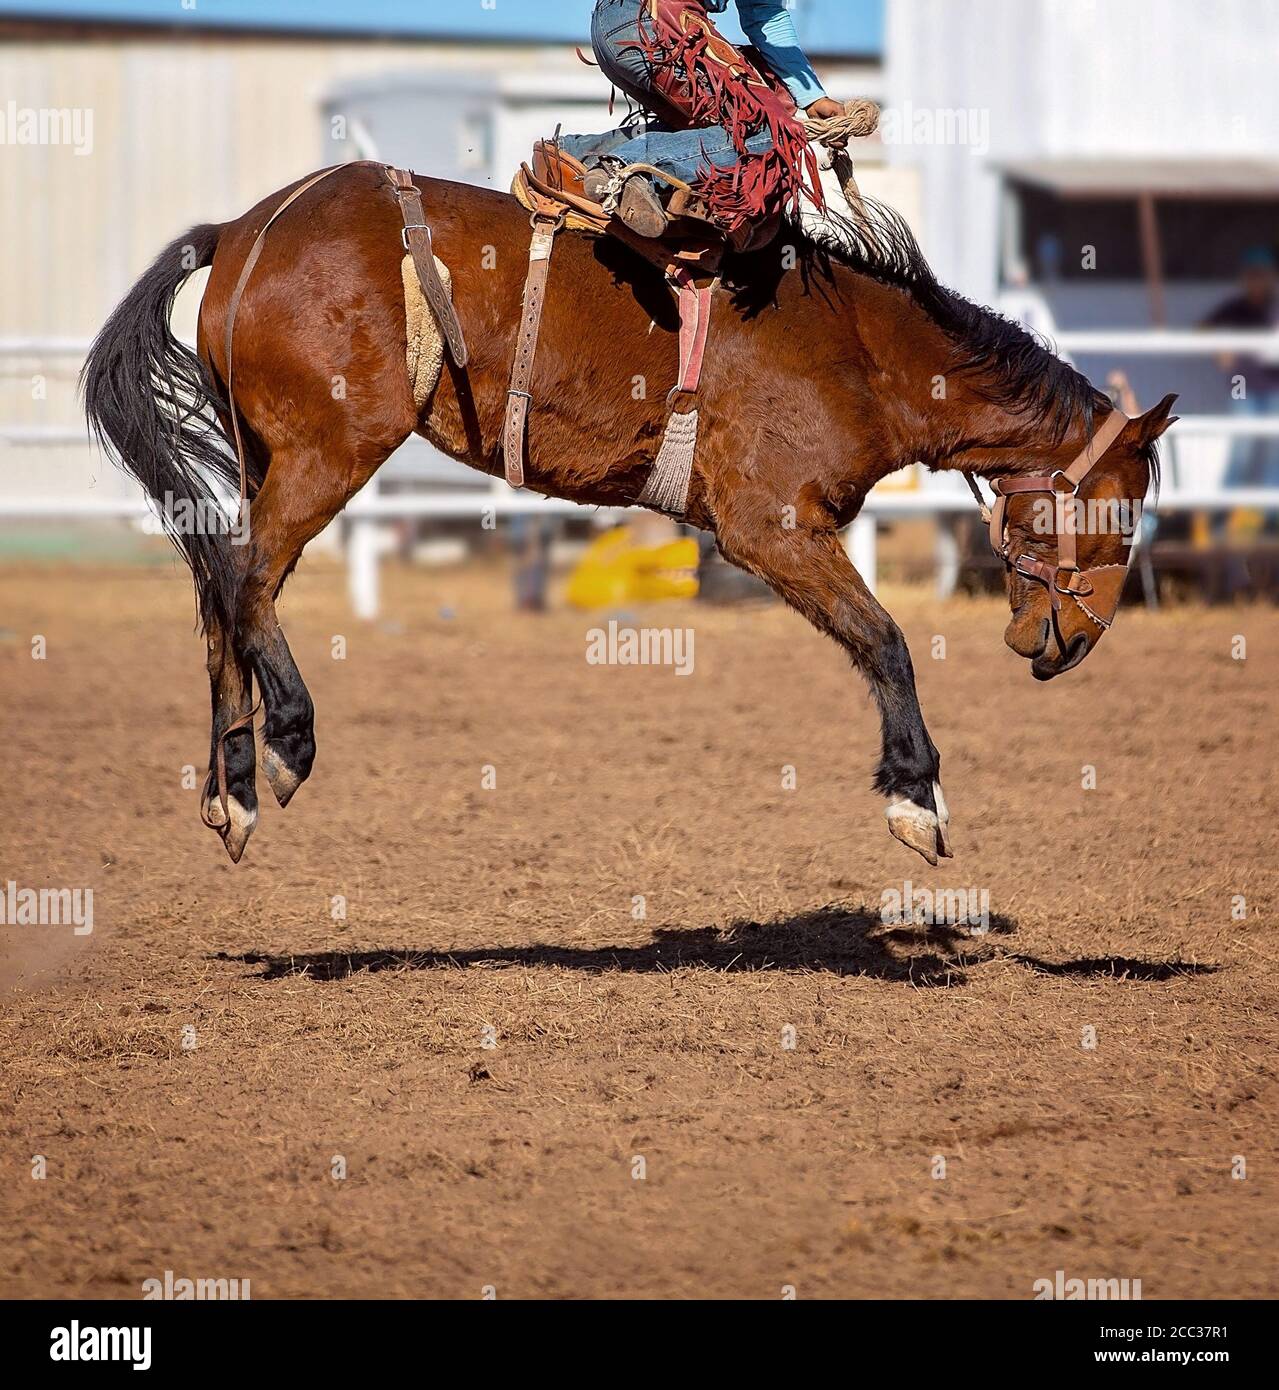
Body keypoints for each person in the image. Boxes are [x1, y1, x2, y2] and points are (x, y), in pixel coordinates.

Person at [559, 0, 844, 241]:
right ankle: (624, 170)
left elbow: (764, 11)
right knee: (770, 130)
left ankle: (578, 155)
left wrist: (812, 98)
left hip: (614, 24)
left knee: (712, 130)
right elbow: (763, 14)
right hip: (656, 26)